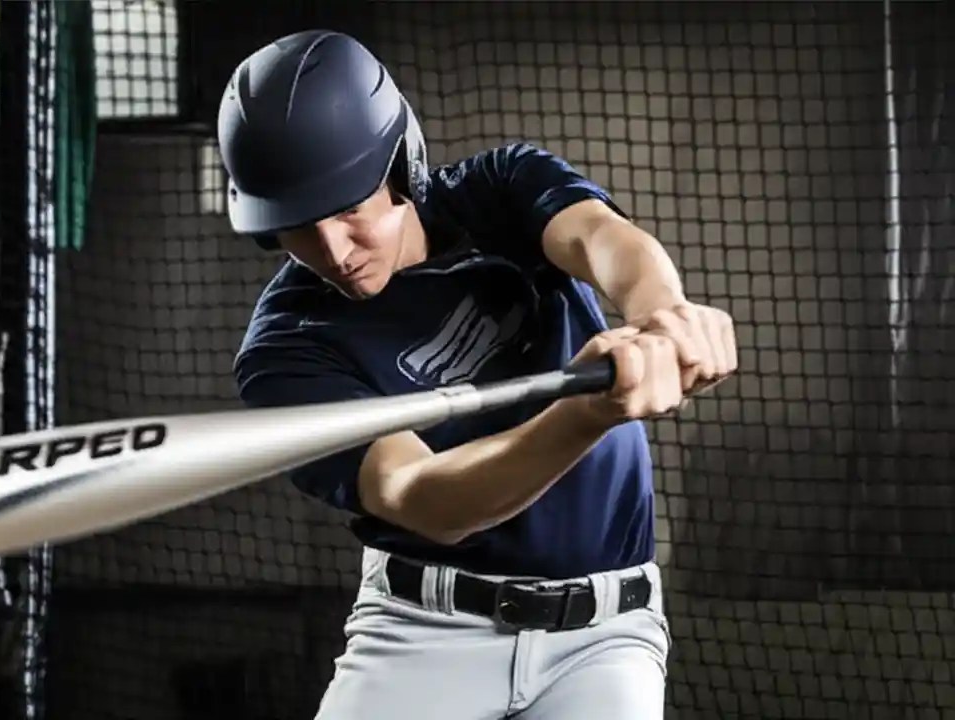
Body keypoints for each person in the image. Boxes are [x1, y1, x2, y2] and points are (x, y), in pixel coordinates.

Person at [218, 30, 737, 720]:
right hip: (419, 636)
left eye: (349, 209)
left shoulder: (496, 192)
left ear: (401, 164)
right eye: (297, 227)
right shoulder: (285, 350)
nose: (334, 252)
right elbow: (428, 499)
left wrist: (662, 313)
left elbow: (600, 239)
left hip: (603, 636)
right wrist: (584, 415)